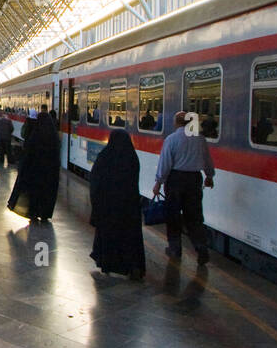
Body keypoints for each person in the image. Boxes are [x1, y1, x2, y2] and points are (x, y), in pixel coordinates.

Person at [152, 111, 215, 264]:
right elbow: (207, 160)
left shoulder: (172, 139)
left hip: (175, 180)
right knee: (194, 216)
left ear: (177, 123)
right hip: (194, 180)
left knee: (173, 215)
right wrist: (209, 176)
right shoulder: (200, 139)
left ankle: (175, 249)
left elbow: (165, 162)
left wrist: (158, 182)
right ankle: (201, 249)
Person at [89, 128, 145, 280]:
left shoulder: (105, 157)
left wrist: (96, 203)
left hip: (108, 206)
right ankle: (131, 265)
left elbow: (95, 181)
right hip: (129, 207)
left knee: (107, 235)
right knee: (130, 237)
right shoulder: (132, 157)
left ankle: (106, 263)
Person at [7, 111, 60, 222]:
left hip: (36, 174)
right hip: (50, 175)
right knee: (47, 194)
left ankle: (34, 213)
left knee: (35, 194)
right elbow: (56, 158)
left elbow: (28, 156)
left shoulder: (35, 136)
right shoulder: (54, 138)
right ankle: (45, 214)